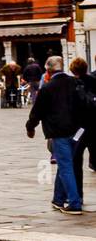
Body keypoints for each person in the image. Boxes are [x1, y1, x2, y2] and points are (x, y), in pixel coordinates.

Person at [27, 56, 84, 215]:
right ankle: (58, 199)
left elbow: (37, 111)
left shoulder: (47, 88)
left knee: (66, 167)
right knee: (65, 163)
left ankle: (74, 203)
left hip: (59, 131)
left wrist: (30, 127)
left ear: (48, 71)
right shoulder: (76, 83)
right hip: (78, 131)